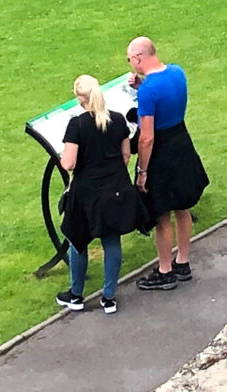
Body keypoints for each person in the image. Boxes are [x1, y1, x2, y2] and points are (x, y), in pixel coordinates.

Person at [127, 37, 209, 291]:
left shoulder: (148, 91)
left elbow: (147, 137)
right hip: (181, 143)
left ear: (139, 58)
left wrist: (142, 171)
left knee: (161, 214)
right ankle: (182, 261)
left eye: (130, 59)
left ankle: (165, 270)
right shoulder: (176, 72)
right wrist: (143, 86)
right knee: (183, 208)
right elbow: (167, 96)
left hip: (161, 153)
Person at [55, 74, 139, 315]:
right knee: (112, 240)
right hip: (115, 188)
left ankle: (76, 294)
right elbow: (125, 155)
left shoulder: (77, 125)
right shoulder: (118, 120)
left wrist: (64, 156)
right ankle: (109, 297)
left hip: (86, 193)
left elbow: (68, 163)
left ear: (81, 99)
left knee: (78, 239)